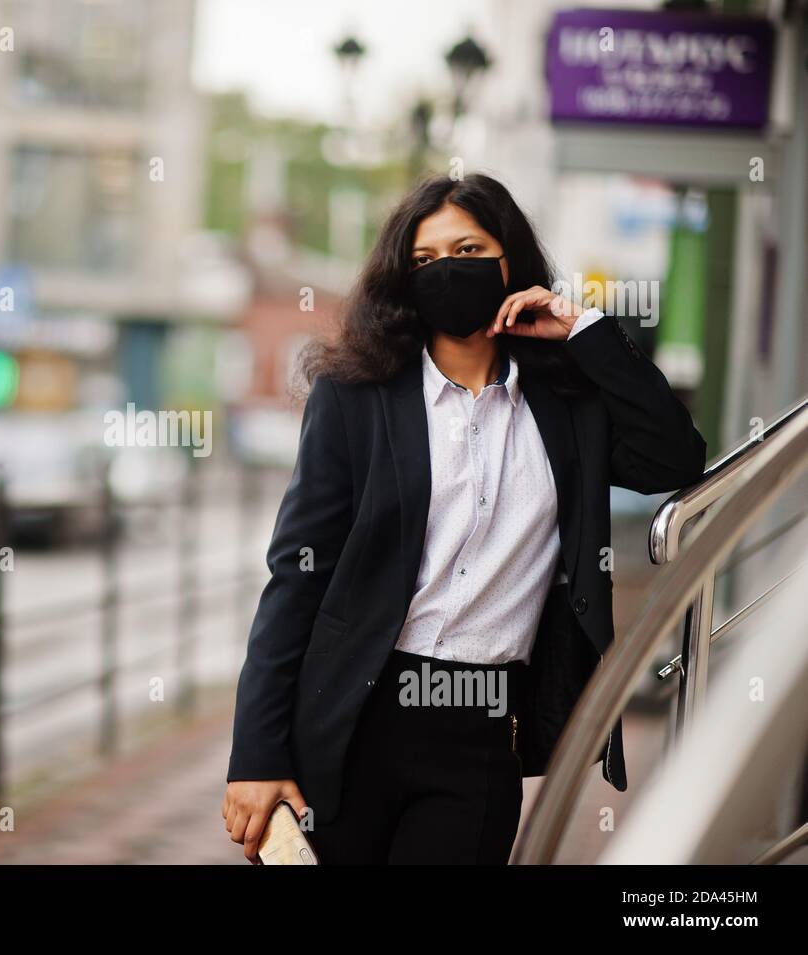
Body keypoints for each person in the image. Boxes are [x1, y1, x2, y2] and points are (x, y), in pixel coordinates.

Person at [221, 172, 707, 865]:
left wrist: (586, 329)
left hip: (481, 733)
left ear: (509, 260)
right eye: (424, 259)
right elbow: (296, 577)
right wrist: (256, 753)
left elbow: (675, 458)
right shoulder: (356, 397)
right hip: (351, 722)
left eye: (468, 248)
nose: (446, 268)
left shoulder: (568, 401)